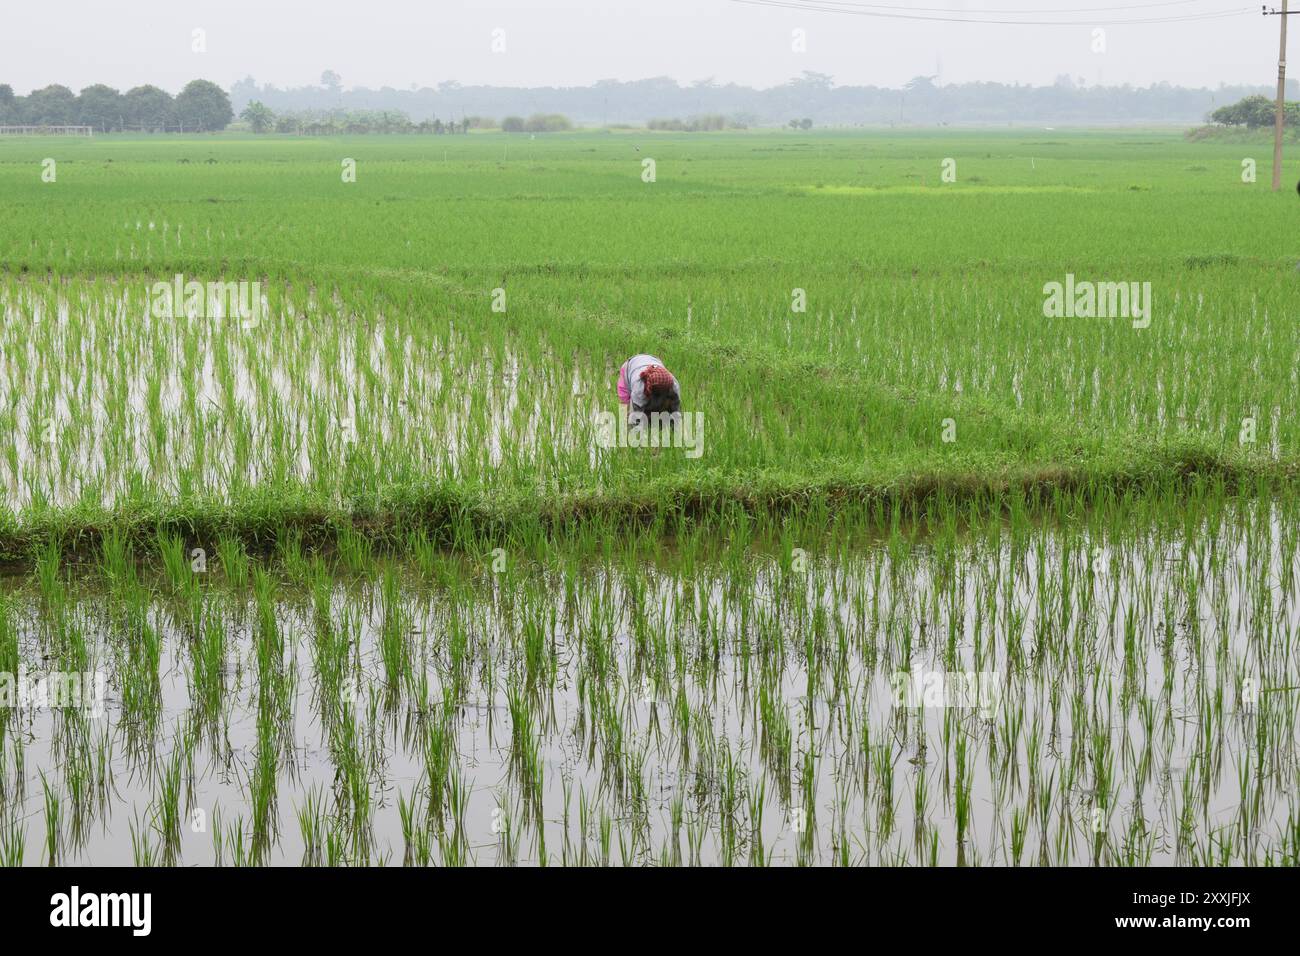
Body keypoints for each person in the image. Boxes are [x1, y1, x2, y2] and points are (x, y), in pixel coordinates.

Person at [616, 354, 680, 425]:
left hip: (653, 360)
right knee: (626, 406)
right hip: (629, 367)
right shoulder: (639, 389)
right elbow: (635, 416)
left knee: (664, 407)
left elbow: (676, 410)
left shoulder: (674, 386)